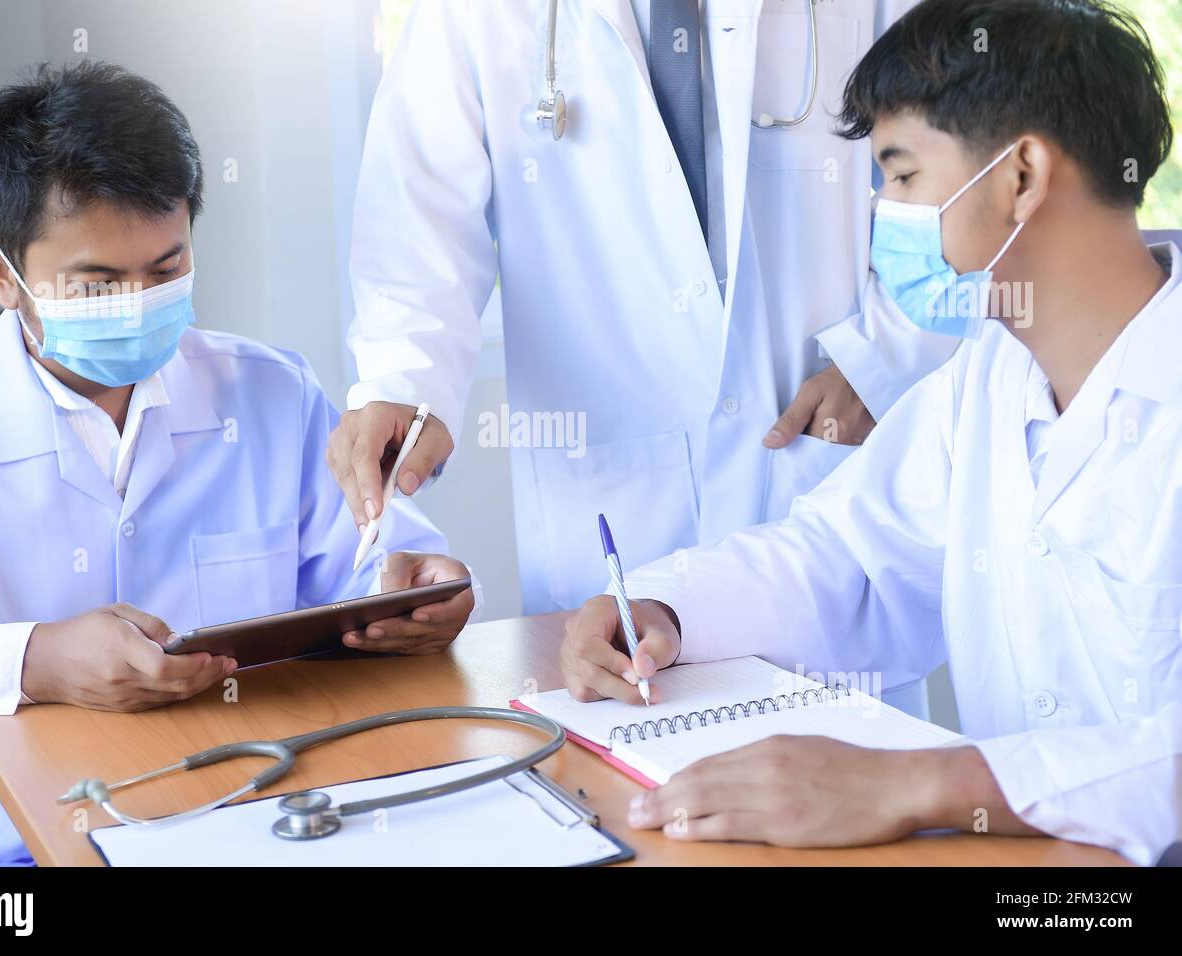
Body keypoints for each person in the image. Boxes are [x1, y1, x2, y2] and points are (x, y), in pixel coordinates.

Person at [558, 0, 1181, 866]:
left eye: (903, 176)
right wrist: (661, 611)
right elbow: (845, 558)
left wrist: (914, 784)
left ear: (1021, 175)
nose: (884, 212)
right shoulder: (986, 377)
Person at [0, 61, 475, 867]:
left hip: (253, 823)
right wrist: (32, 661)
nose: (138, 304)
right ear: (1, 275)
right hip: (4, 855)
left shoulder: (270, 391)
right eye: (98, 286)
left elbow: (373, 560)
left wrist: (414, 590)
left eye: (165, 272)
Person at [327, 2, 957, 646]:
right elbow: (416, 218)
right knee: (617, 683)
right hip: (613, 493)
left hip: (815, 454)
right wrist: (406, 384)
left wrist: (880, 362)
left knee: (832, 693)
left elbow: (964, 154)